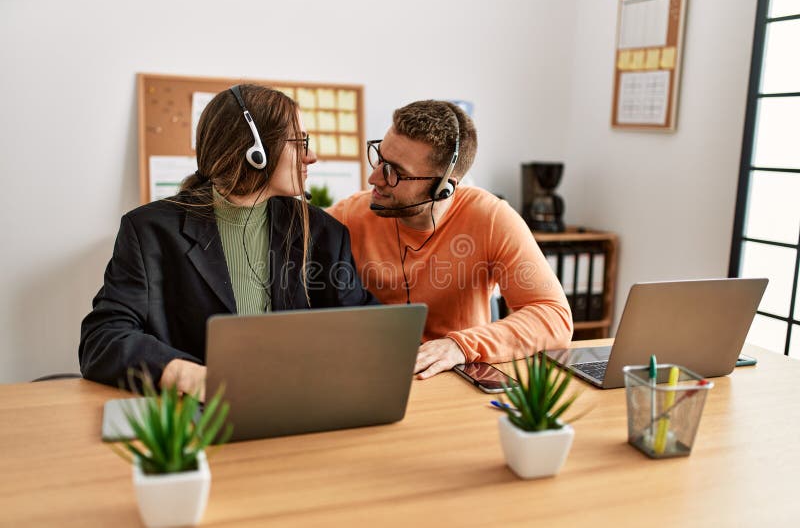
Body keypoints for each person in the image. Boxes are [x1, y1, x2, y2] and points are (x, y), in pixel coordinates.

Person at [80, 84, 377, 399]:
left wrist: (434, 345)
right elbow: (104, 337)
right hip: (200, 418)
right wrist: (183, 373)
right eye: (299, 142)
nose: (311, 156)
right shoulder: (149, 231)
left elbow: (365, 328)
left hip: (298, 407)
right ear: (255, 152)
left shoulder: (323, 233)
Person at [327, 100, 573, 379]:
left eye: (396, 172)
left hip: (458, 376)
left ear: (444, 188)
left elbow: (554, 317)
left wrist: (461, 345)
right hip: (376, 373)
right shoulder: (350, 215)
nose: (374, 178)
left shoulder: (490, 218)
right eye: (379, 158)